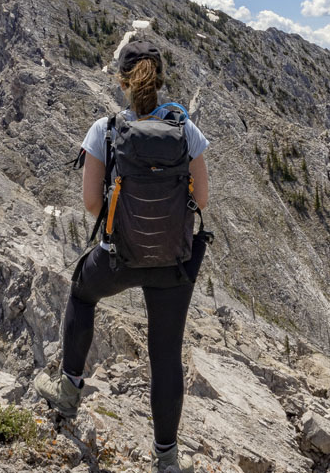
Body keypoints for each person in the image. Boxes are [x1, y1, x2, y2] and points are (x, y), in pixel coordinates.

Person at [34, 40, 210, 473]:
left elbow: (92, 204)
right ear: (160, 78)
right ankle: (166, 461)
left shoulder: (105, 129)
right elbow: (201, 200)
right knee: (165, 352)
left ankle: (69, 394)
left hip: (119, 257)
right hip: (173, 262)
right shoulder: (186, 130)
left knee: (81, 294)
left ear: (122, 81)